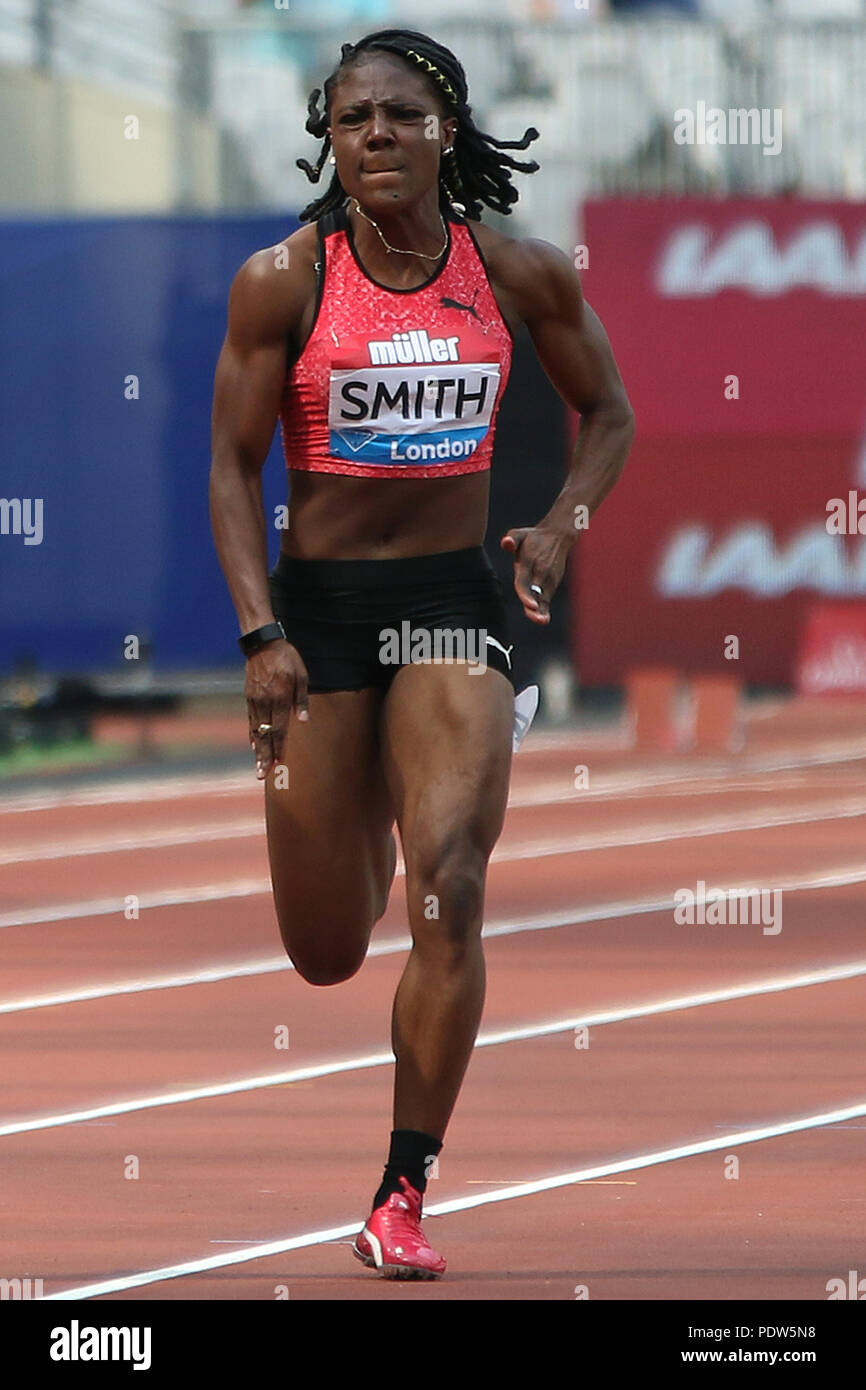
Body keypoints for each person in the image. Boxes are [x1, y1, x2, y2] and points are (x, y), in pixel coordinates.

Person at [209, 27, 634, 1280]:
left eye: (399, 114)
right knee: (327, 948)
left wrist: (560, 524)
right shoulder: (282, 282)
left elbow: (608, 412)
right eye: (352, 120)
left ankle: (401, 1190)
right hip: (321, 619)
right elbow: (231, 467)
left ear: (448, 128)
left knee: (451, 875)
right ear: (327, 142)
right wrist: (261, 635)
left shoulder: (515, 272)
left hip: (452, 604)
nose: (376, 136)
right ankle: (368, 807)